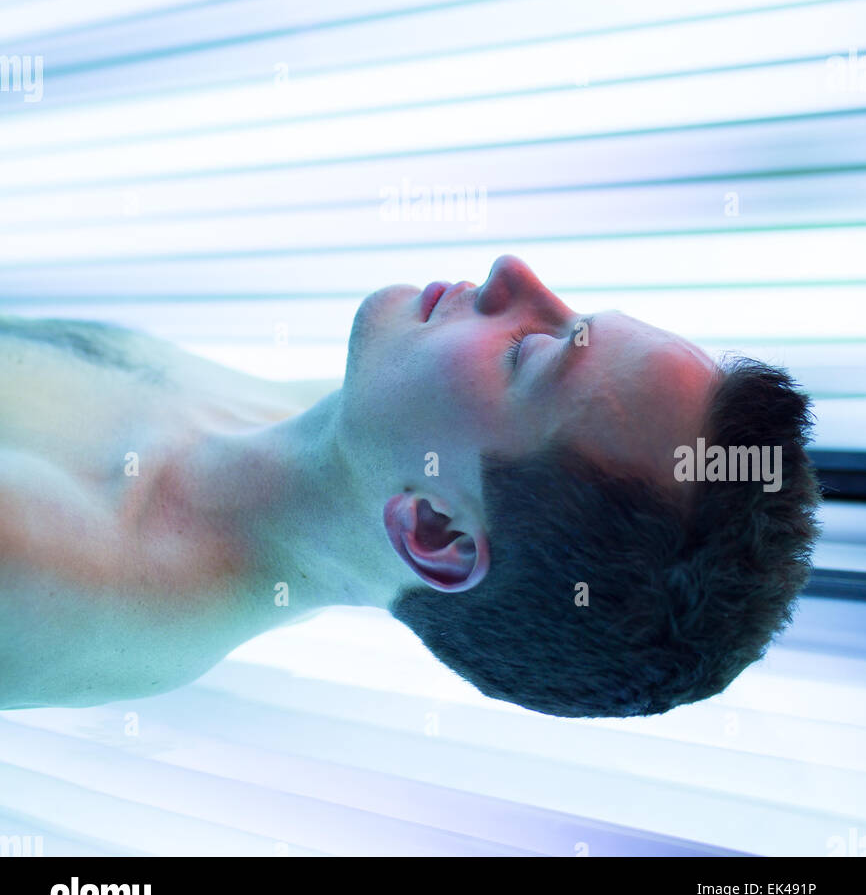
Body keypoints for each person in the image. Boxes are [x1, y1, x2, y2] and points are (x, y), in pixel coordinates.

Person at [0, 255, 820, 715]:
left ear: (434, 531)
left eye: (530, 353)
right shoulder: (319, 429)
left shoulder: (53, 571)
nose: (514, 277)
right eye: (575, 316)